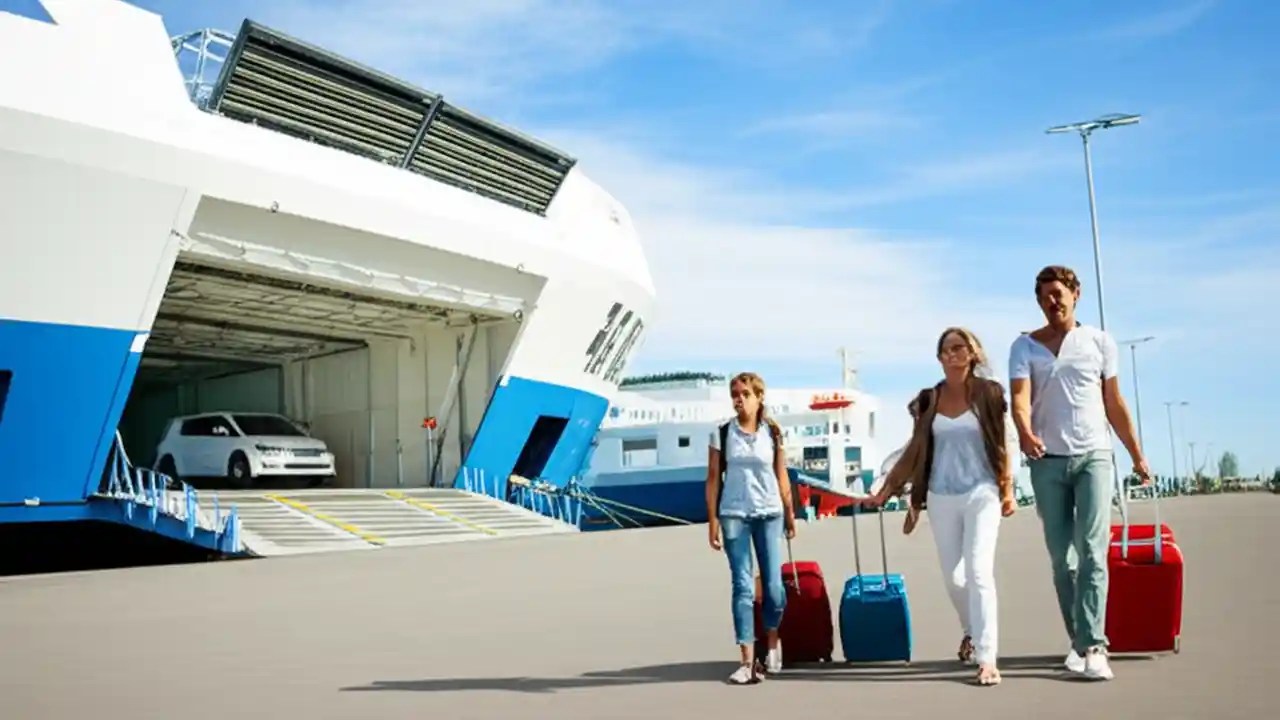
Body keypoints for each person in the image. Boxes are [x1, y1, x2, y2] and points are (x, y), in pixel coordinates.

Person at [1009, 264, 1151, 682]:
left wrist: (1137, 455)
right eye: (1044, 296)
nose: (1052, 301)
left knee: (1092, 550)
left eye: (1059, 293)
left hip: (1094, 455)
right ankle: (1080, 640)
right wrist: (1025, 432)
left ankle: (1093, 646)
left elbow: (1114, 402)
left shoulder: (1099, 342)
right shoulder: (1024, 347)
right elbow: (1020, 399)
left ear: (1076, 294)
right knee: (1061, 558)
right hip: (1046, 461)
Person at [864, 327, 1016, 686]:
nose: (951, 354)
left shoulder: (989, 394)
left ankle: (987, 656)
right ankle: (971, 630)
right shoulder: (929, 399)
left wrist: (1007, 489)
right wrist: (887, 489)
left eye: (958, 348)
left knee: (979, 572)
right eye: (945, 350)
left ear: (972, 353)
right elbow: (914, 449)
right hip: (940, 496)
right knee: (953, 578)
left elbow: (1004, 445)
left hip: (982, 492)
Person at [705, 371, 797, 685]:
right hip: (734, 515)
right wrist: (712, 521)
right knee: (742, 587)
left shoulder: (773, 432)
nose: (739, 399)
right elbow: (713, 478)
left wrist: (790, 511)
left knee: (773, 587)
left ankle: (771, 635)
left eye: (745, 393)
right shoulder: (721, 433)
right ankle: (747, 661)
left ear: (759, 397)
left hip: (770, 513)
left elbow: (781, 473)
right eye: (735, 393)